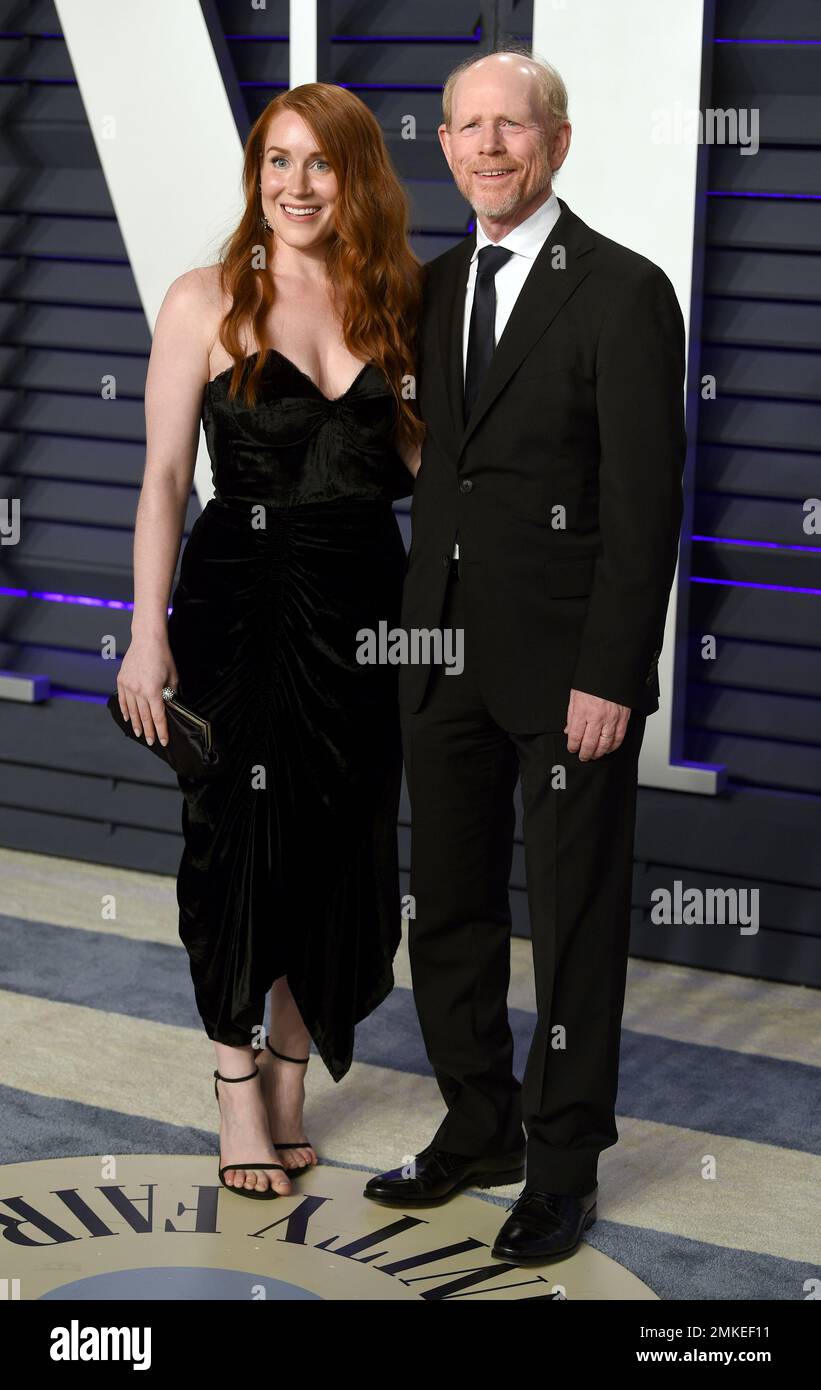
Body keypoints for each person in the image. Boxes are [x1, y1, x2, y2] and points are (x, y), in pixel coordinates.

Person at [364, 48, 686, 1262]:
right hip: (438, 654)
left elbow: (643, 505)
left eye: (512, 126)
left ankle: (559, 1166)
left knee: (573, 920)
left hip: (568, 679)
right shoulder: (429, 289)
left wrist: (611, 671)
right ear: (440, 144)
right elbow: (433, 463)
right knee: (444, 907)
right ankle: (477, 1121)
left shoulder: (620, 290)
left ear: (556, 142)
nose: (486, 146)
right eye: (465, 127)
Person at [116, 83, 422, 1200]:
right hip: (234, 608)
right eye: (275, 161)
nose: (294, 186)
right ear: (256, 173)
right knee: (232, 847)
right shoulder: (204, 300)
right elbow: (158, 482)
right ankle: (234, 1083)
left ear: (357, 178)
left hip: (365, 620)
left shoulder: (395, 306)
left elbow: (435, 484)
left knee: (339, 849)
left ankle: (290, 1068)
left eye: (319, 164)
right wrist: (144, 636)